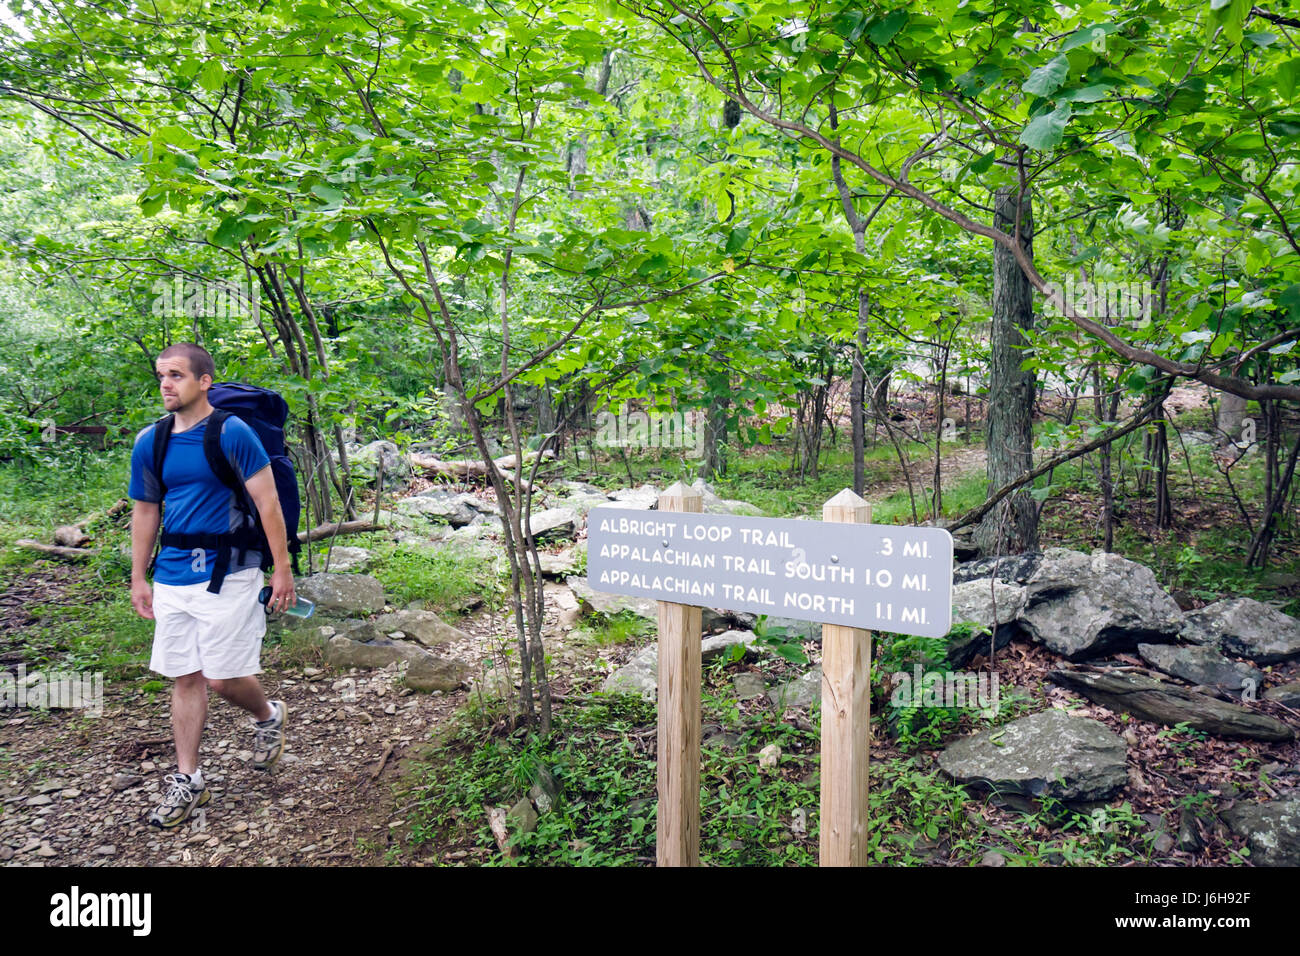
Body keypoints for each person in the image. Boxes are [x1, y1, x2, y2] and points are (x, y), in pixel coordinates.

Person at [128, 342, 296, 829]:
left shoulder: (233, 432)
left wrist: (280, 568)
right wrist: (139, 577)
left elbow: (268, 504)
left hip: (232, 570)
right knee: (186, 676)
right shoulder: (151, 441)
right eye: (162, 375)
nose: (166, 384)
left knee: (222, 678)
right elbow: (145, 511)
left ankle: (267, 715)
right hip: (173, 575)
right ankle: (189, 781)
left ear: (204, 382)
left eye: (177, 375)